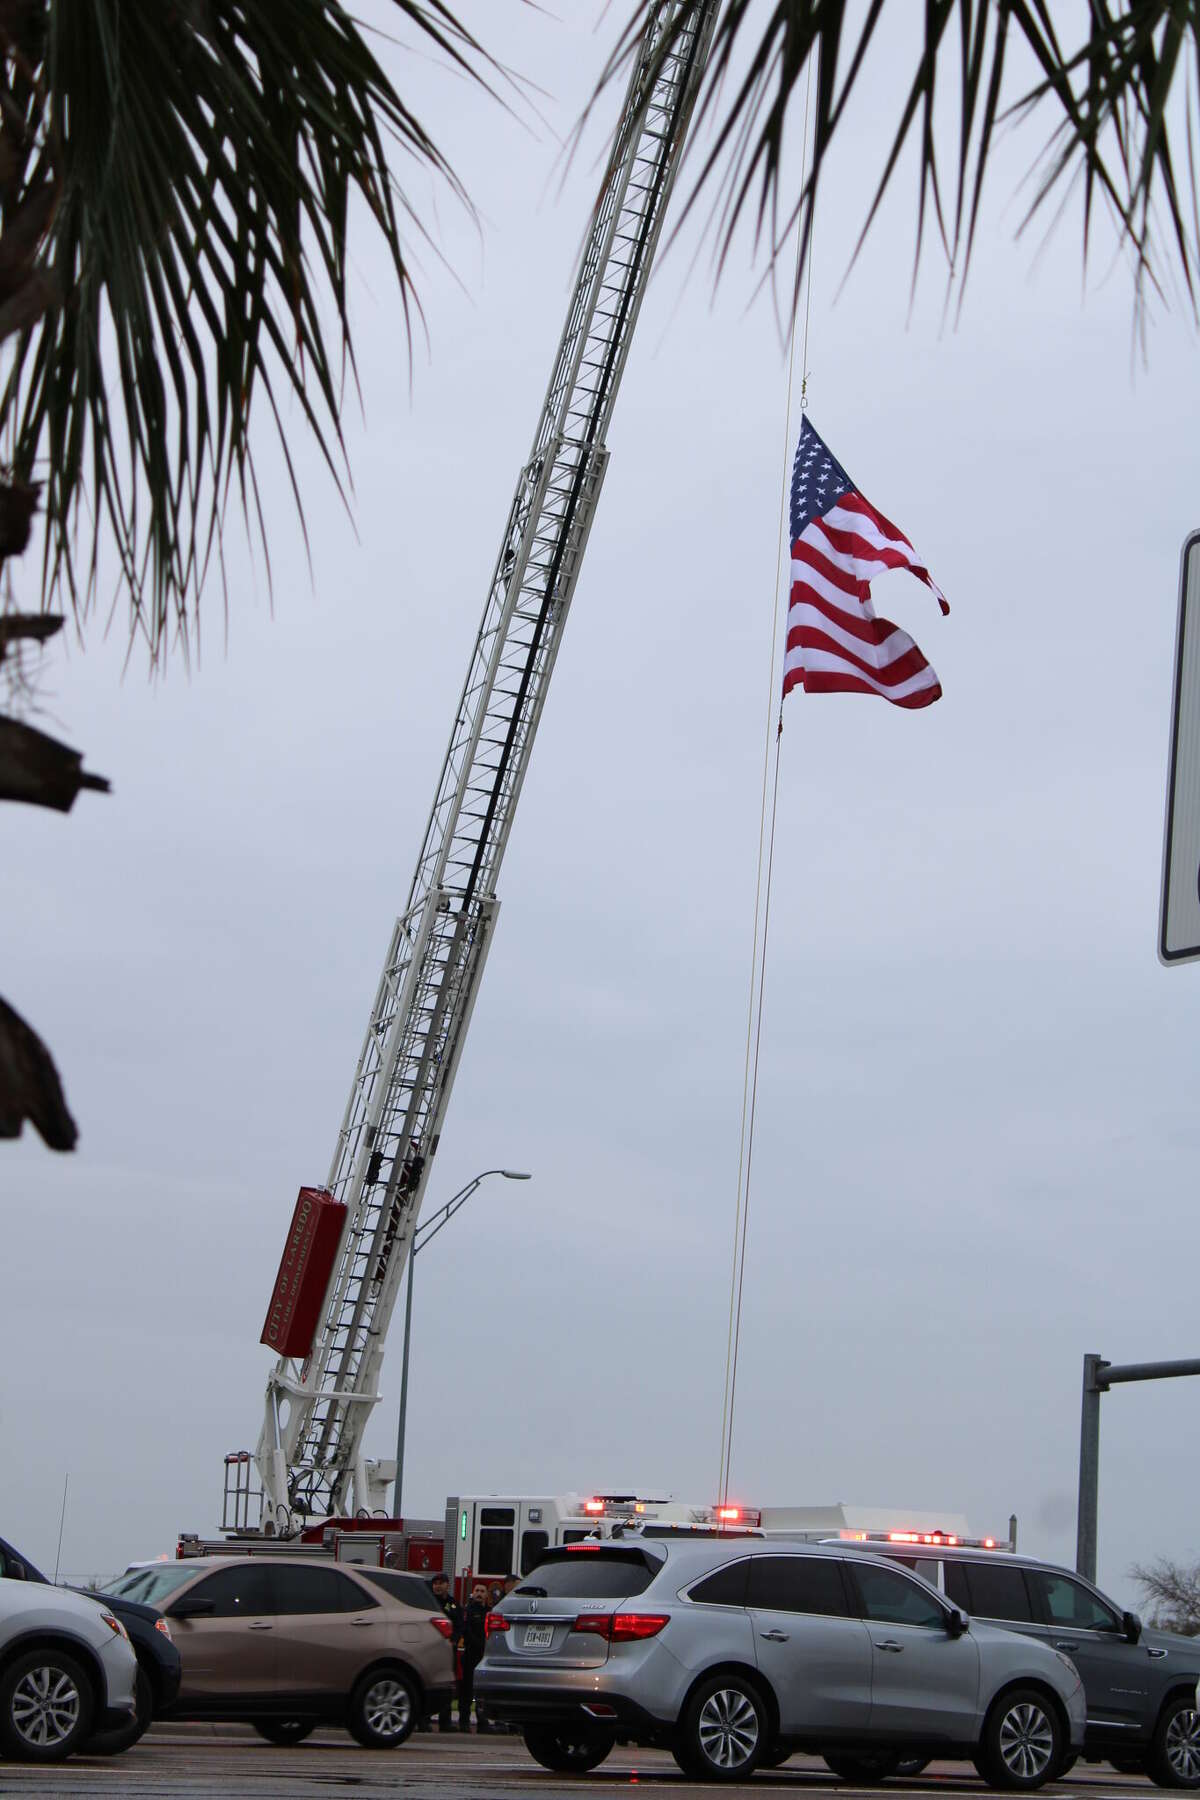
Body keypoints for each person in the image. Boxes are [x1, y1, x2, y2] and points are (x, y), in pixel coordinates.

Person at [428, 1572, 461, 1732]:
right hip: (429, 1649)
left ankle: (445, 1721)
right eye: (435, 1583)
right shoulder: (427, 1603)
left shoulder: (453, 1604)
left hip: (448, 1650)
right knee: (427, 1682)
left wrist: (454, 1639)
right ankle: (423, 1721)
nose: (438, 1586)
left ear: (448, 1585)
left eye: (441, 1583)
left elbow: (460, 1625)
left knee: (447, 1686)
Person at [459, 1581, 489, 1732]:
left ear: (486, 1595)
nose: (479, 1593)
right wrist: (479, 1644)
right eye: (477, 1590)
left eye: (482, 1591)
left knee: (482, 1692)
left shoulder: (490, 1612)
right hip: (471, 1654)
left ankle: (483, 1722)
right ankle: (464, 1722)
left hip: (484, 1657)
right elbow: (466, 1630)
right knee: (466, 1690)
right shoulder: (468, 1611)